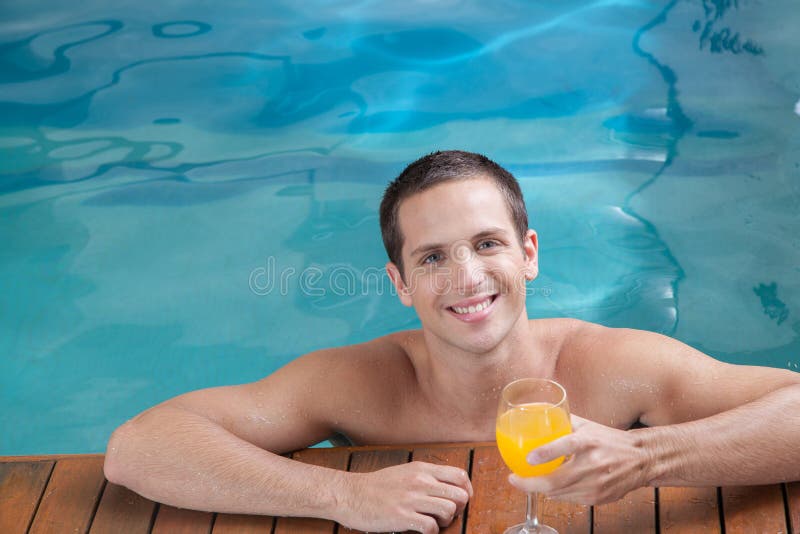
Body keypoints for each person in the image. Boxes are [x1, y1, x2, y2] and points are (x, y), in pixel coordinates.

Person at [104, 150, 800, 534]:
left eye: (487, 243)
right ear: (400, 283)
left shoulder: (616, 366)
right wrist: (342, 498)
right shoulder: (359, 383)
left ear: (528, 253)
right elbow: (139, 446)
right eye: (432, 258)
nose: (467, 278)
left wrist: (646, 456)